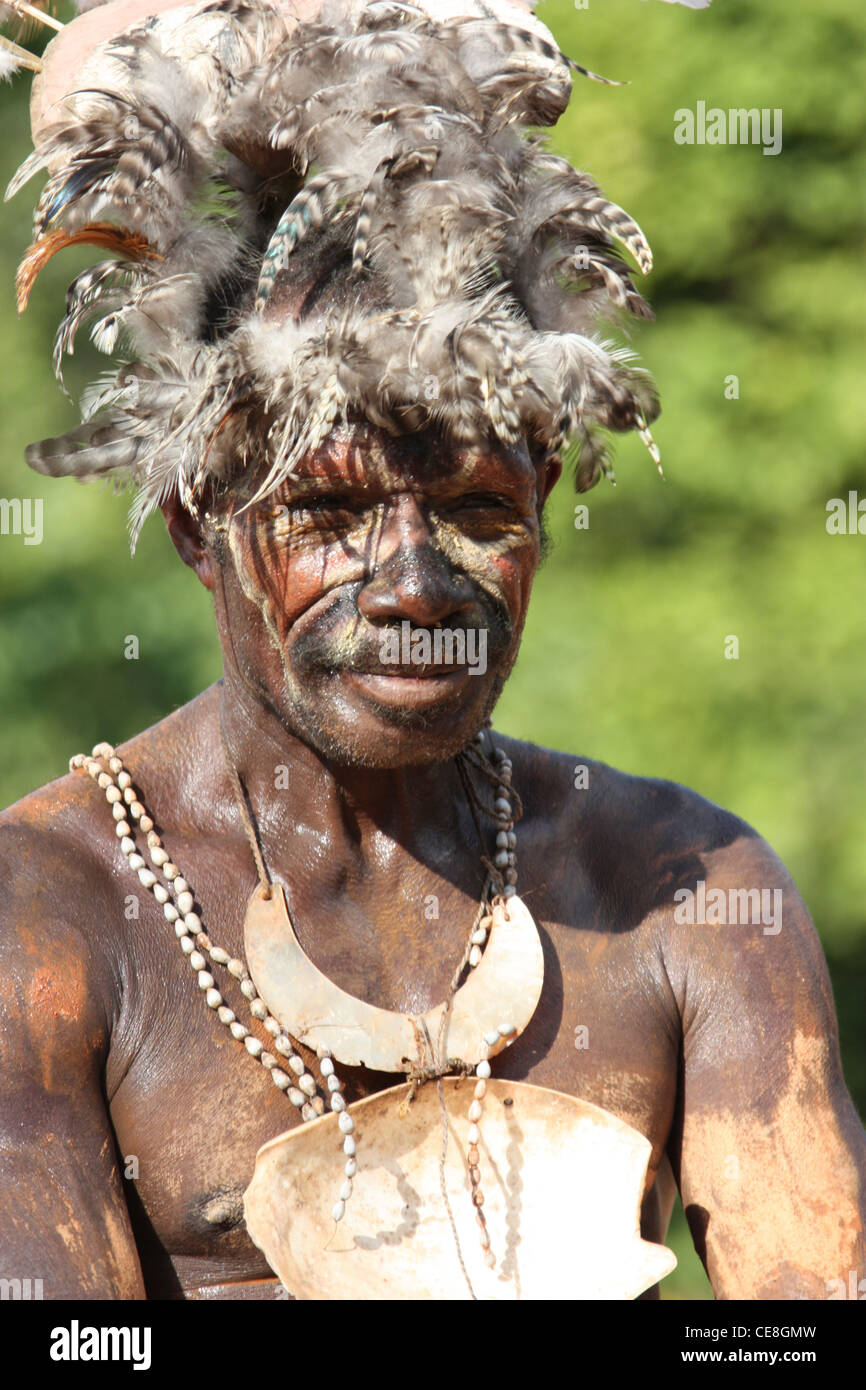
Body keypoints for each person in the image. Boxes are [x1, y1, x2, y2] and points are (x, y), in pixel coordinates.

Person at [0, 0, 863, 1301]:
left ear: (543, 512)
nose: (411, 587)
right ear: (199, 521)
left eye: (473, 513)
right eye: (331, 514)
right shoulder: (47, 912)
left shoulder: (685, 894)